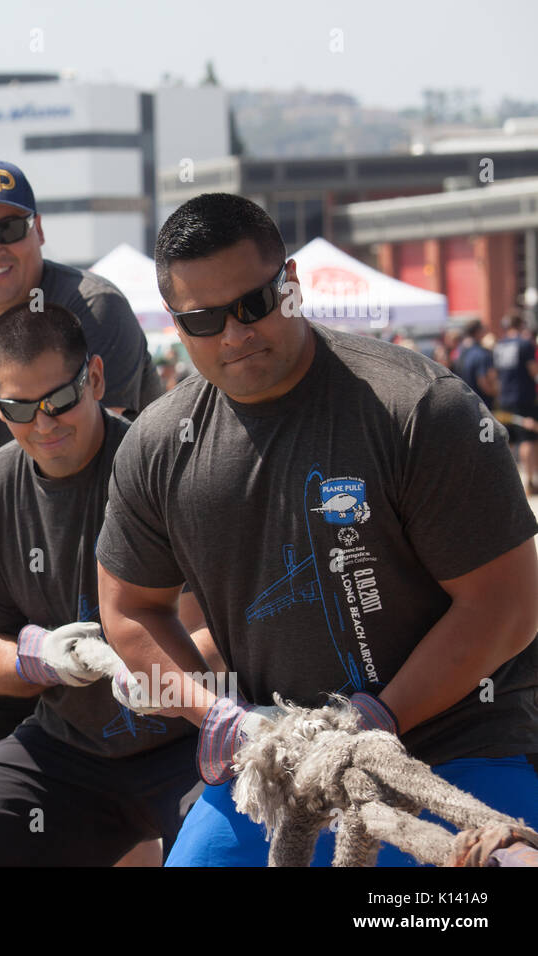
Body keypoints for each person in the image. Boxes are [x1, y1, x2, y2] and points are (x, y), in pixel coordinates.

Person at [95, 192, 538, 867]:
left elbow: (508, 605)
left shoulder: (417, 409)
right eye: (205, 319)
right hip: (280, 771)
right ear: (176, 325)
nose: (236, 334)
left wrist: (378, 719)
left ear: (293, 284)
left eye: (254, 304)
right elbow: (129, 609)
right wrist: (213, 714)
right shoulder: (158, 446)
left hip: (458, 750)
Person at [0, 157, 162, 814]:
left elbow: (116, 465)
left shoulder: (93, 309)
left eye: (9, 227)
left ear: (39, 229)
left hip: (103, 596)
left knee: (118, 817)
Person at [0, 304, 198, 867]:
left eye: (59, 400)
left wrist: (163, 678)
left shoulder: (160, 463)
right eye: (19, 407)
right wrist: (42, 659)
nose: (44, 423)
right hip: (75, 746)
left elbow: (210, 626)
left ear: (93, 377)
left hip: (188, 741)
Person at [494, 313, 538, 493]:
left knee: (509, 441)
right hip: (524, 397)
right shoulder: (524, 344)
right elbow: (534, 371)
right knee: (528, 439)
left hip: (504, 398)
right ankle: (528, 481)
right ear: (520, 324)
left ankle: (510, 484)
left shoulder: (499, 345)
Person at [454, 319, 497, 408]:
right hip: (482, 405)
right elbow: (483, 382)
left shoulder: (458, 353)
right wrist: (496, 395)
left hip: (463, 402)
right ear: (478, 332)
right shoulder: (482, 354)